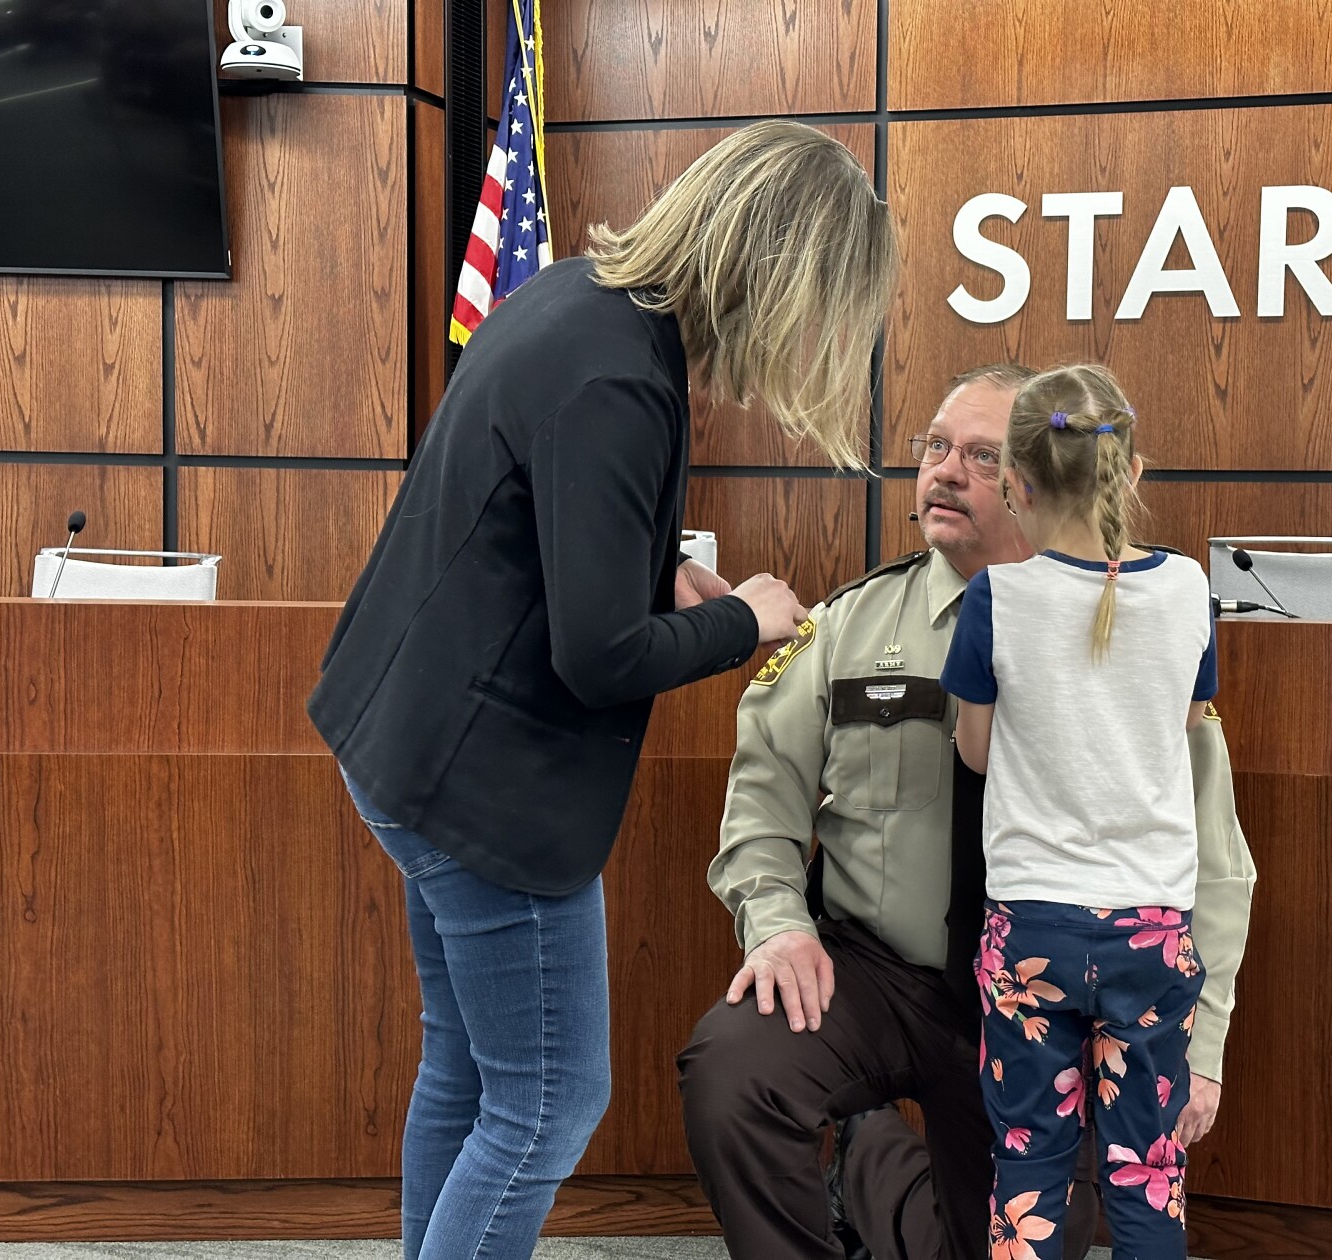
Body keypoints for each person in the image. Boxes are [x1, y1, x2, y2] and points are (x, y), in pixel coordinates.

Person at [307, 120, 899, 1259]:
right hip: (485, 792)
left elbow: (536, 521)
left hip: (400, 737)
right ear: (779, 276)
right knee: (548, 1102)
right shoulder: (623, 378)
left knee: (467, 1067)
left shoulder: (580, 297)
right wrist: (743, 620)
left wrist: (653, 568)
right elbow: (601, 658)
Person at [679, 363, 1256, 1260]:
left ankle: (870, 1160)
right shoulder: (853, 622)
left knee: (1027, 1236)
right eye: (936, 447)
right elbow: (764, 792)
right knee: (734, 1073)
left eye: (980, 456)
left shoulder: (1140, 628)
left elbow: (1213, 863)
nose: (944, 471)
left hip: (1043, 992)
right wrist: (776, 925)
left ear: (1028, 479)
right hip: (876, 977)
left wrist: (1203, 1045)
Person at [942, 364, 1213, 1260]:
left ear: (1015, 485)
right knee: (1147, 1170)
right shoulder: (1188, 589)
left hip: (1033, 927)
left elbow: (976, 752)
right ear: (1130, 472)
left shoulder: (996, 598)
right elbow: (1186, 721)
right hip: (1152, 927)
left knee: (1029, 1162)